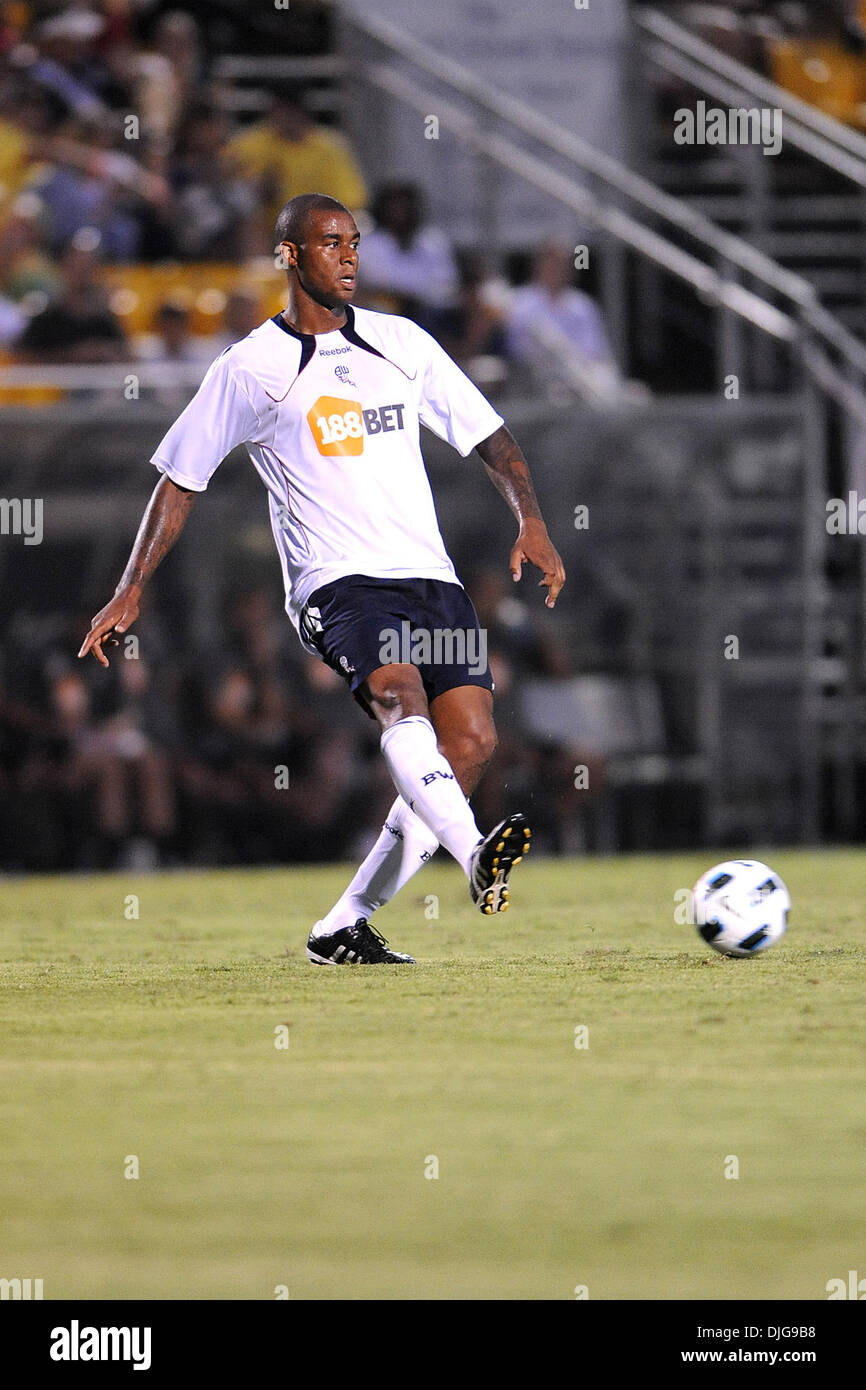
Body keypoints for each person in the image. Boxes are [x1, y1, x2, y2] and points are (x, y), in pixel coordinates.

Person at [79, 193, 565, 966]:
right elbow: (179, 480)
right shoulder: (250, 367)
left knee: (470, 744)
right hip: (337, 582)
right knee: (399, 698)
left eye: (354, 242)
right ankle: (476, 854)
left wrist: (531, 520)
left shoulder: (403, 341)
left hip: (428, 577)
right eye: (330, 242)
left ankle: (341, 925)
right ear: (289, 256)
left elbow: (492, 437)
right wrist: (132, 584)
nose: (348, 256)